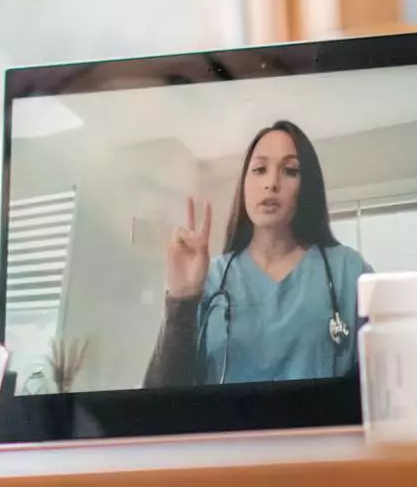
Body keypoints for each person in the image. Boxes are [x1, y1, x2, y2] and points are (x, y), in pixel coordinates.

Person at [142, 120, 370, 388]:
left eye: (290, 171)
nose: (271, 183)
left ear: (307, 185)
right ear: (244, 185)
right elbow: (159, 401)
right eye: (260, 169)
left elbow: (382, 385)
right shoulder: (211, 277)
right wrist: (181, 301)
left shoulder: (349, 271)